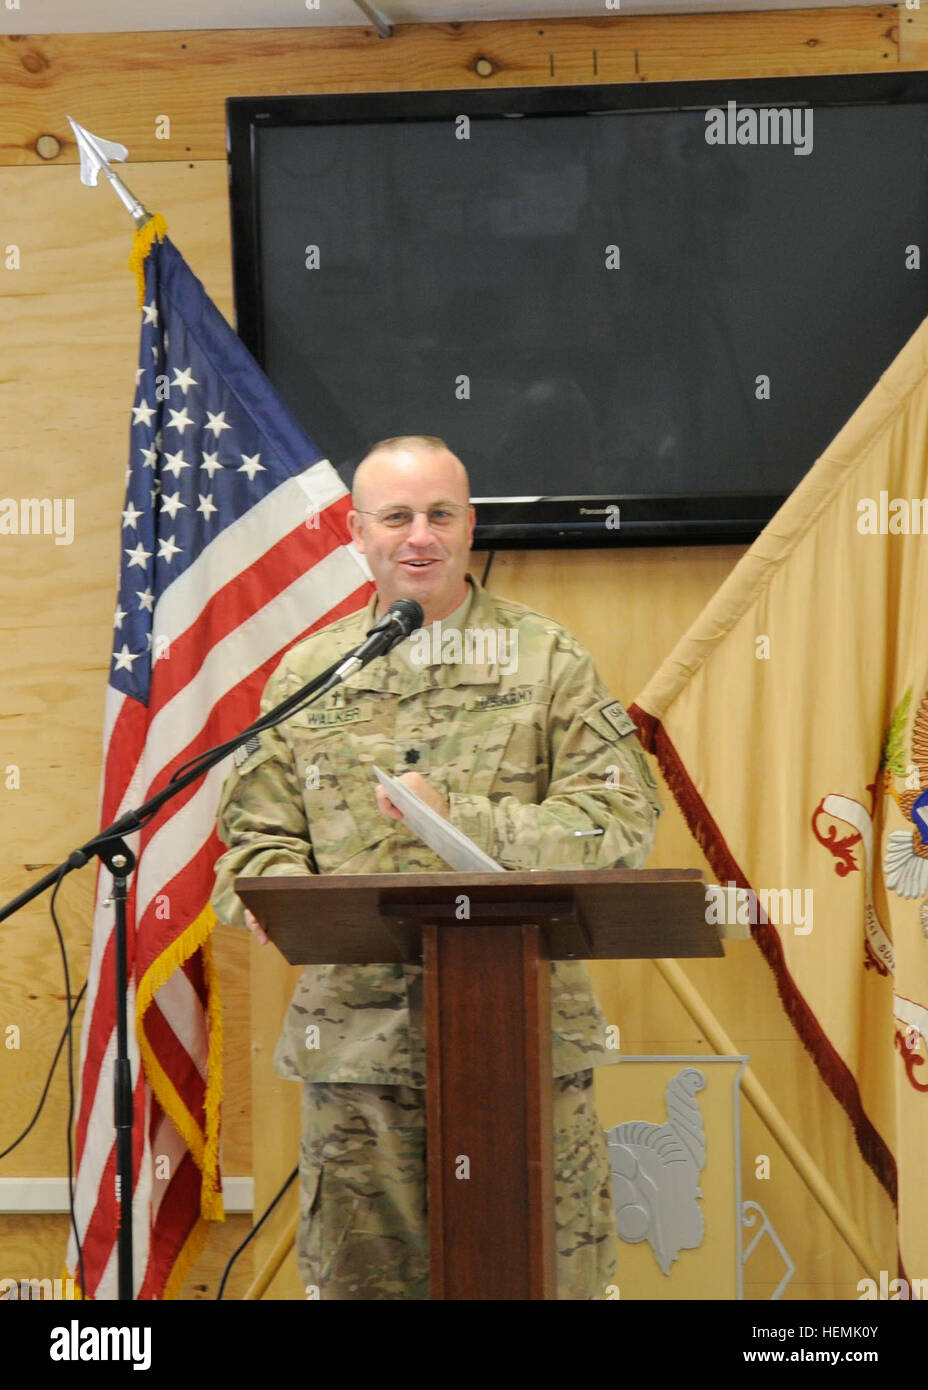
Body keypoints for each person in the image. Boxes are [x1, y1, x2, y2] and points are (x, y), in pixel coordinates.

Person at [211, 435, 663, 1299]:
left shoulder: (548, 659)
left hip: (523, 1045)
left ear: (469, 527)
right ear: (358, 533)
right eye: (396, 517)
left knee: (541, 1281)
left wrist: (465, 816)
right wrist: (296, 907)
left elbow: (622, 823)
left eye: (440, 515)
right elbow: (255, 845)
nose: (419, 536)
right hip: (357, 1057)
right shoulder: (310, 673)